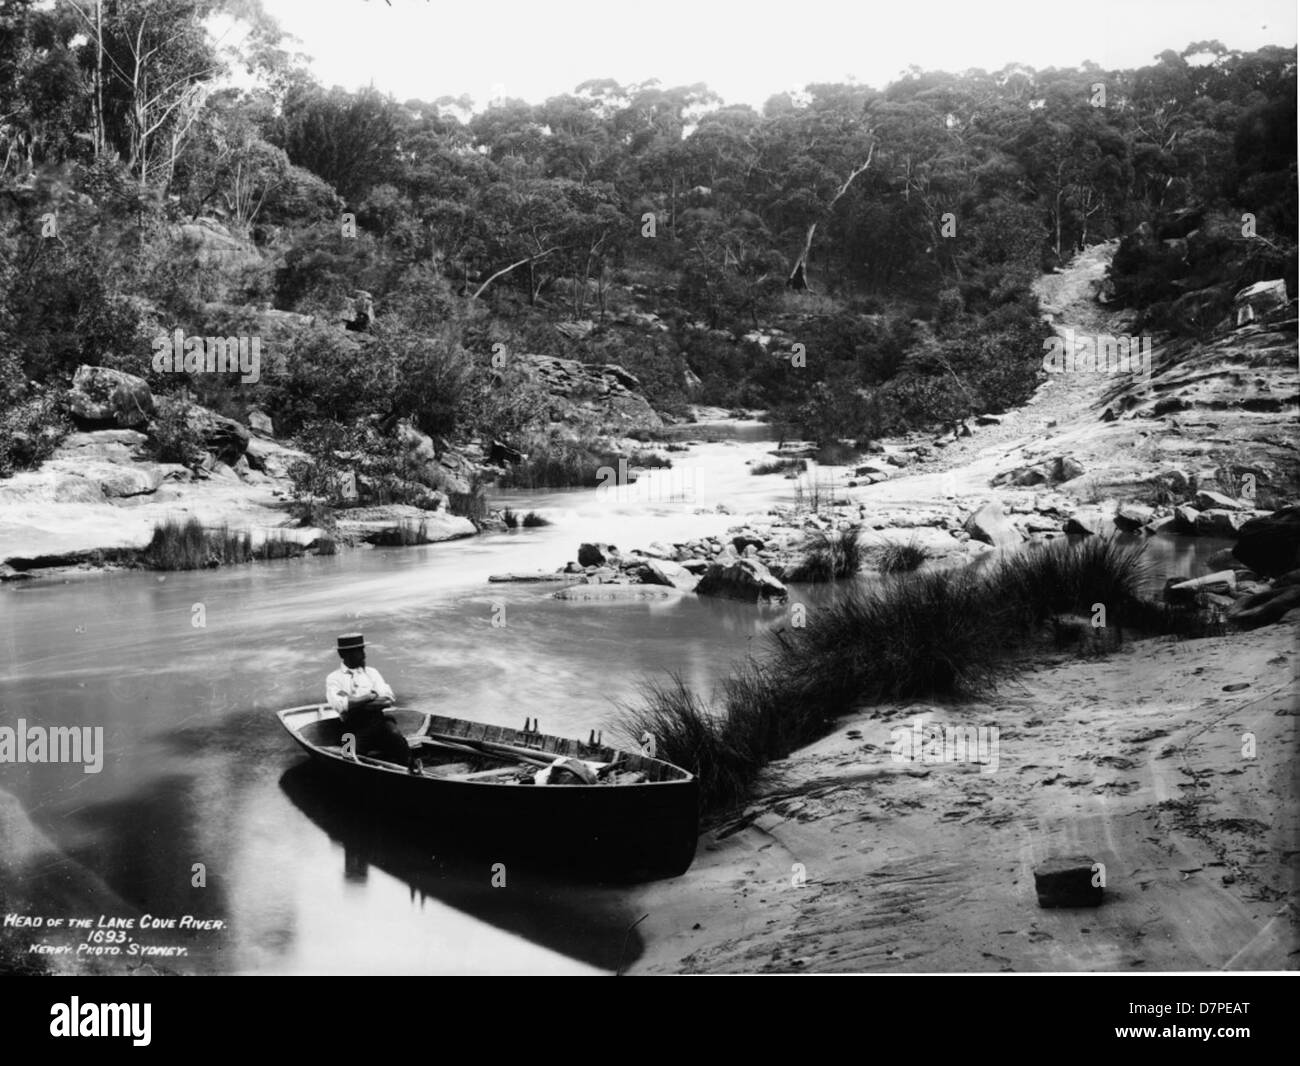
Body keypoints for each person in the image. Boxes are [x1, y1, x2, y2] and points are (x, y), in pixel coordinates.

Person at [325, 633, 421, 772]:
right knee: (347, 755)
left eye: (363, 650)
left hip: (380, 722)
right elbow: (341, 705)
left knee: (396, 737)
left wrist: (355, 702)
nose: (364, 655)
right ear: (343, 654)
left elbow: (388, 699)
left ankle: (409, 769)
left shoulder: (372, 673)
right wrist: (372, 695)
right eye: (359, 651)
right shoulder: (334, 678)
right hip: (351, 728)